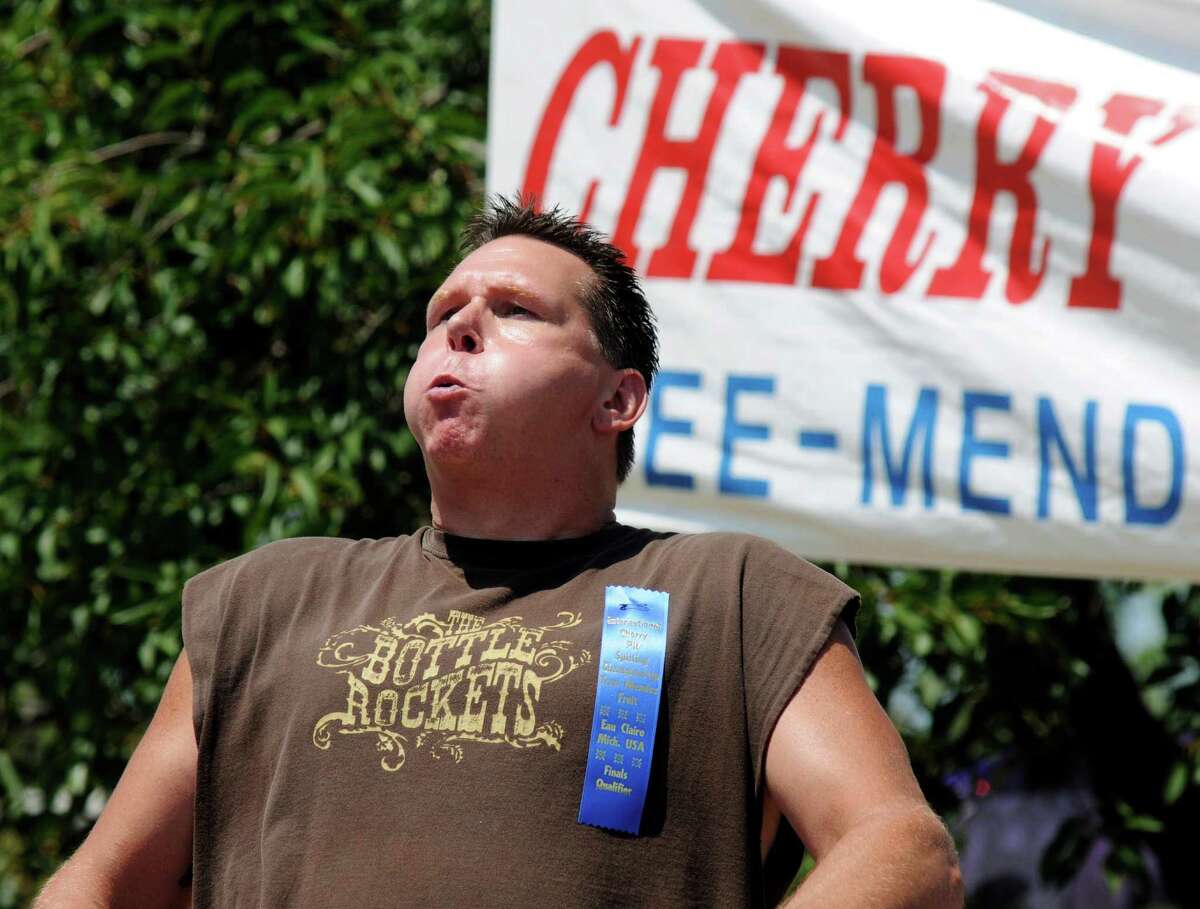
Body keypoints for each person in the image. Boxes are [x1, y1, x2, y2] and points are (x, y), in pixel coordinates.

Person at [36, 196, 964, 908]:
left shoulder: (730, 594)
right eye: (444, 312)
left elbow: (903, 851)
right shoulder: (264, 600)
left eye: (515, 309)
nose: (460, 324)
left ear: (617, 401)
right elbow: (97, 887)